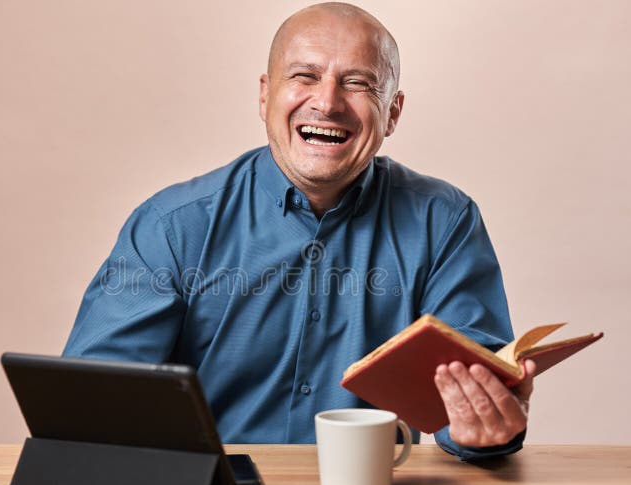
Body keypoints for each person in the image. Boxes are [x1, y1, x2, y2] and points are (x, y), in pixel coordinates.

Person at [63, 2, 534, 461]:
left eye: (358, 83)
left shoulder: (445, 222)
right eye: (305, 76)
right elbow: (92, 405)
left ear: (392, 113)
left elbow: (469, 400)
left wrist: (484, 426)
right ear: (266, 95)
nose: (327, 103)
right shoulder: (172, 227)